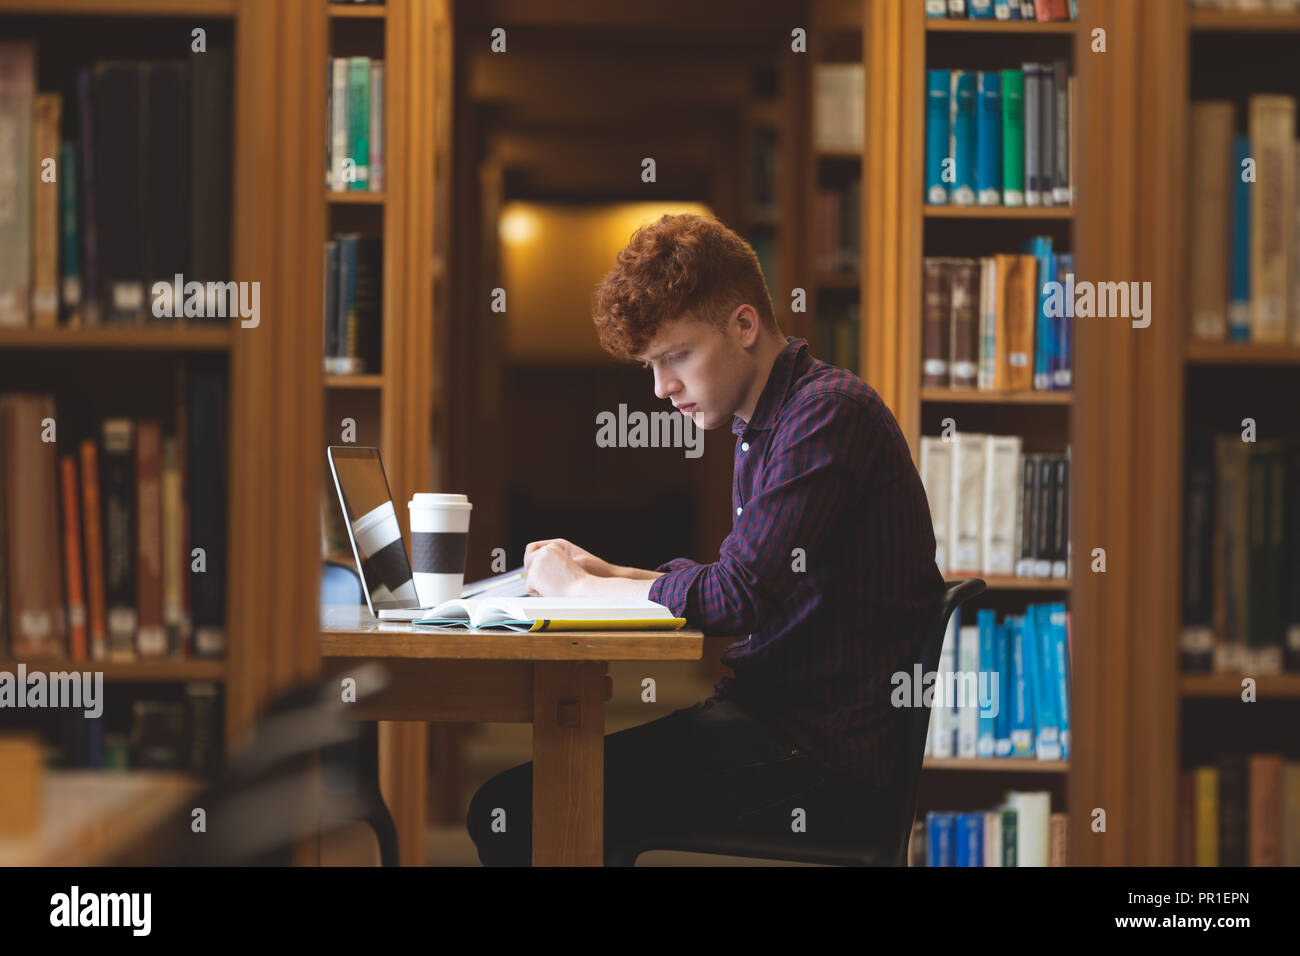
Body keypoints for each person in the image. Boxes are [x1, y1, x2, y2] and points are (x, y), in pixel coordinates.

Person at [466, 213, 944, 865]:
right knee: (541, 802)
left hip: (821, 762)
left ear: (743, 325)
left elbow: (739, 597)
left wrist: (580, 589)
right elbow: (739, 577)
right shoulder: (771, 421)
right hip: (778, 728)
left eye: (677, 357)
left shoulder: (827, 415)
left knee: (514, 811)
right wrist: (613, 577)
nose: (663, 389)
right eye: (651, 367)